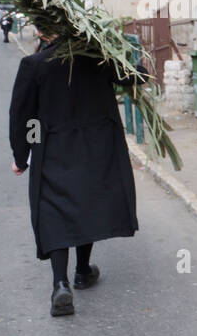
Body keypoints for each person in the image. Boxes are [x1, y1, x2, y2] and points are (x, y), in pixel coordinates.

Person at [8, 34, 142, 316]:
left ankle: (61, 284)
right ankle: (82, 271)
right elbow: (136, 77)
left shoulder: (35, 64)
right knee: (85, 206)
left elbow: (25, 116)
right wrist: (131, 57)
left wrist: (23, 154)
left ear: (44, 32)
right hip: (95, 150)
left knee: (56, 212)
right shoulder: (96, 59)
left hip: (52, 151)